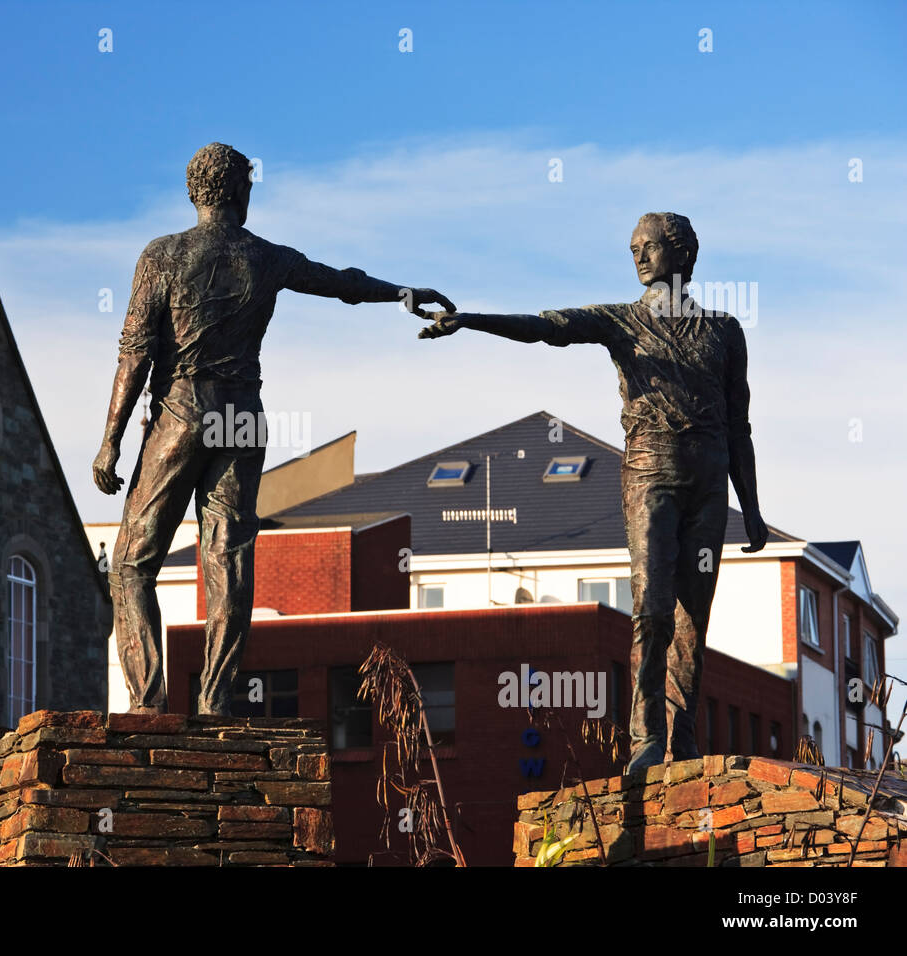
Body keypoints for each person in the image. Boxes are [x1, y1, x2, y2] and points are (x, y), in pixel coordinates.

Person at [94, 142, 454, 716]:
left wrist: (110, 440)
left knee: (133, 562)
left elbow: (134, 352)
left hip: (180, 411)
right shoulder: (268, 257)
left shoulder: (161, 255)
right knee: (229, 559)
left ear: (194, 193)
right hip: (239, 416)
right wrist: (406, 292)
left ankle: (148, 704)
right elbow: (344, 284)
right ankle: (215, 703)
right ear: (242, 192)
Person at [416, 213, 767, 771]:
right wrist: (470, 320)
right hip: (652, 473)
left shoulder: (725, 332)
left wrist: (750, 507)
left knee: (691, 619)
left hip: (709, 483)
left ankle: (683, 736)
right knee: (651, 607)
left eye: (649, 247)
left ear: (683, 255)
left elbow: (740, 424)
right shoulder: (622, 321)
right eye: (633, 249)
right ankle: (644, 734)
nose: (638, 257)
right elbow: (546, 326)